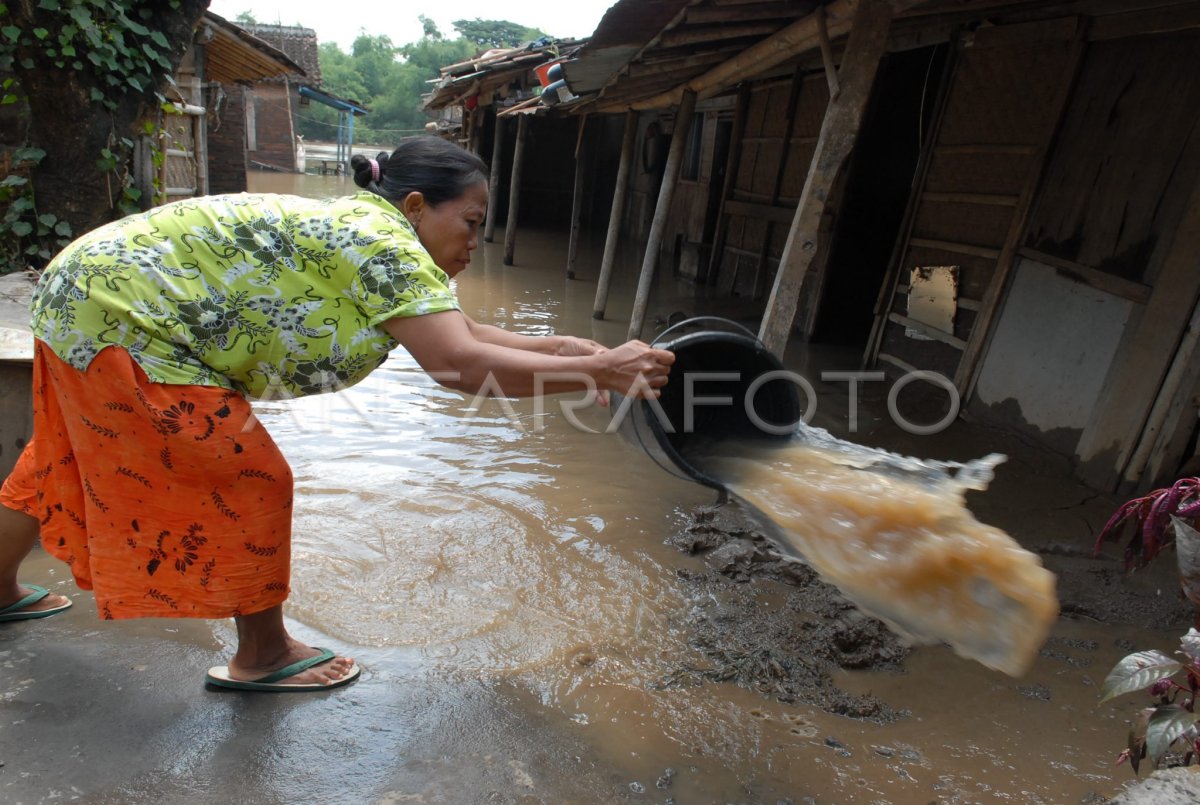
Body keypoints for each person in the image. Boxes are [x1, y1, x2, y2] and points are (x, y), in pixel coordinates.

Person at [0, 136, 675, 691]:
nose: (476, 242)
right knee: (252, 477)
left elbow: (465, 338)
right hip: (124, 314)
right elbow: (457, 367)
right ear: (416, 205)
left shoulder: (379, 236)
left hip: (88, 292)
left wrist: (573, 349)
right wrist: (600, 370)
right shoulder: (386, 247)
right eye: (471, 222)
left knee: (57, 457)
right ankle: (263, 654)